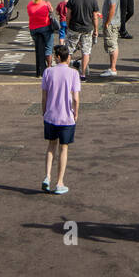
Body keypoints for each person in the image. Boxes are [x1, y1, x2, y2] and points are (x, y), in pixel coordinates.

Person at [41, 44, 82, 195]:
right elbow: (75, 98)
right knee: (63, 148)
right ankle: (59, 183)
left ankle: (47, 176)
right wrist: (76, 113)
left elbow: (44, 96)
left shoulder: (48, 72)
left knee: (51, 146)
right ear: (67, 57)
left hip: (51, 115)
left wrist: (44, 112)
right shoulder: (73, 73)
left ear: (57, 57)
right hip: (66, 117)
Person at [65, 0, 101, 80]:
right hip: (87, 29)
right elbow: (95, 17)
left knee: (69, 50)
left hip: (74, 28)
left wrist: (67, 26)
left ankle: (66, 72)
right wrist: (96, 30)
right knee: (86, 51)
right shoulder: (93, 0)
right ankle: (83, 74)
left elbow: (68, 15)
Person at [27, 0, 56, 76]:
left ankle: (39, 65)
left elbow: (30, 14)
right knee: (48, 47)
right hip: (45, 28)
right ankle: (49, 66)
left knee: (38, 47)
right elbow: (51, 12)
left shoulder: (29, 5)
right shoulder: (46, 4)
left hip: (34, 30)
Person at [99, 0, 121, 78]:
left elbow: (112, 7)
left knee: (112, 44)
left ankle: (113, 68)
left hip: (112, 23)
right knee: (112, 43)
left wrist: (107, 22)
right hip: (114, 21)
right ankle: (112, 66)